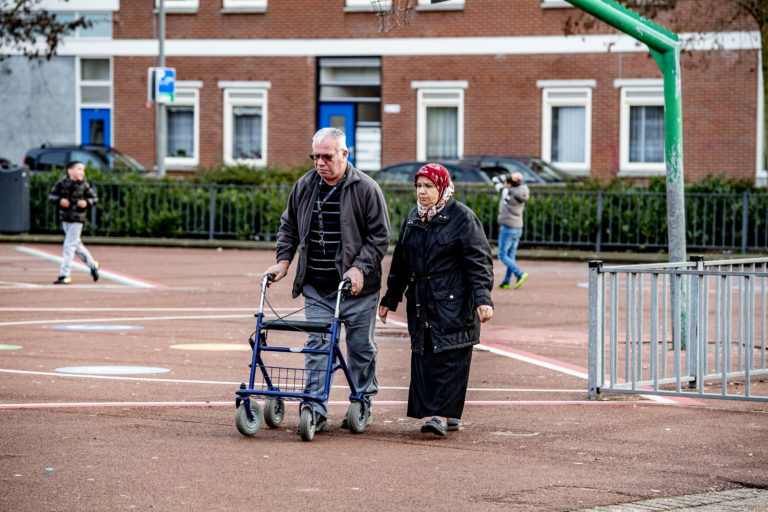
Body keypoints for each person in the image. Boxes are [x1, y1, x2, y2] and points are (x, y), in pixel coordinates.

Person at [264, 127, 390, 433]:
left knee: (361, 348)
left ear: (344, 155)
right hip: (319, 287)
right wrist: (283, 262)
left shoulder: (366, 188)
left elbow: (379, 237)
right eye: (315, 156)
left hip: (358, 291)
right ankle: (315, 407)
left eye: (327, 156)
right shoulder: (305, 186)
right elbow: (288, 225)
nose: (320, 163)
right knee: (318, 346)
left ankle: (362, 400)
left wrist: (360, 268)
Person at [378, 163, 494, 437]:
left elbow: (479, 262)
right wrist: (391, 297)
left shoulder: (462, 218)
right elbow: (401, 263)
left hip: (453, 303)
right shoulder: (413, 218)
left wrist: (483, 298)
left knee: (450, 357)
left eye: (428, 186)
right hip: (421, 304)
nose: (422, 192)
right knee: (426, 358)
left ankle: (439, 415)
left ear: (442, 187)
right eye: (419, 186)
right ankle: (446, 412)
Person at [48, 161, 100, 285]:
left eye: (83, 170)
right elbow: (52, 196)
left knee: (69, 246)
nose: (82, 172)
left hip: (78, 219)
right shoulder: (61, 183)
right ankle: (92, 264)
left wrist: (87, 202)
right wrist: (59, 200)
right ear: (70, 171)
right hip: (65, 218)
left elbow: (94, 198)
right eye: (79, 169)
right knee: (76, 245)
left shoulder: (84, 185)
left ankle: (65, 275)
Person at [497, 172, 529, 290]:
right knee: (510, 255)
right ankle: (506, 281)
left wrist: (507, 179)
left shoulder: (508, 193)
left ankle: (519, 273)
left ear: (510, 184)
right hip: (517, 227)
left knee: (502, 255)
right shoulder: (521, 191)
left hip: (508, 227)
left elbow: (496, 180)